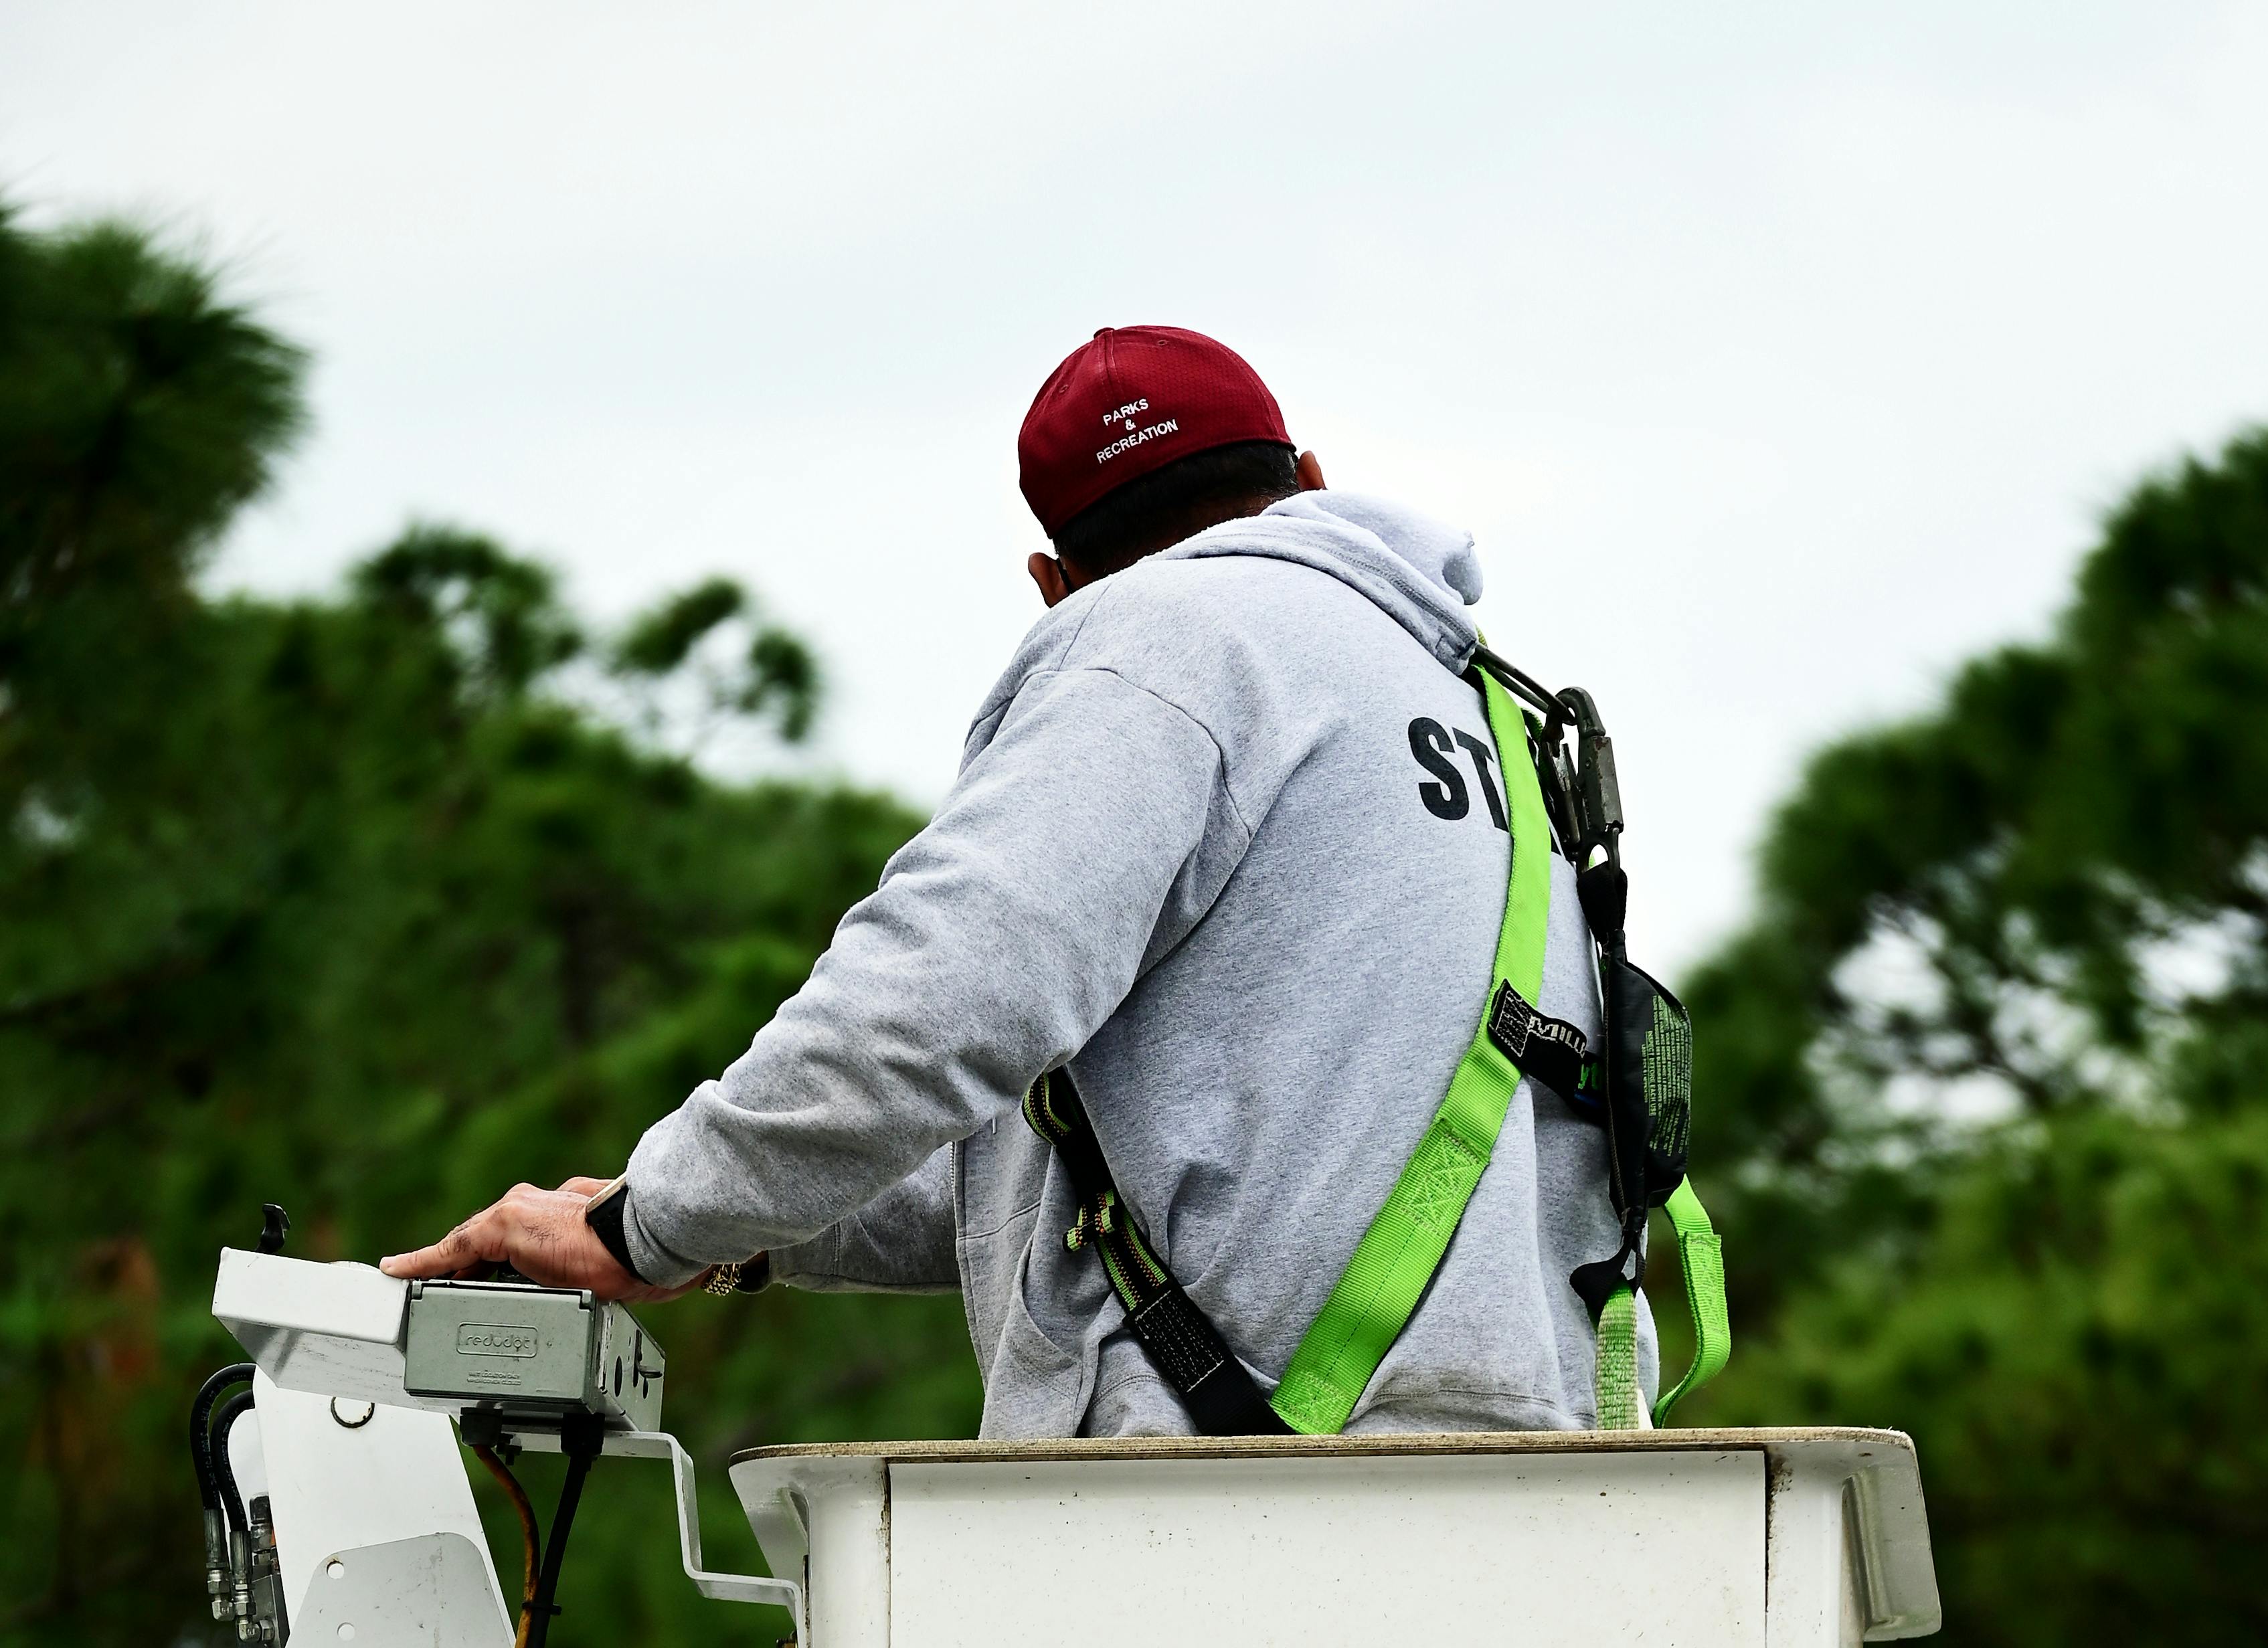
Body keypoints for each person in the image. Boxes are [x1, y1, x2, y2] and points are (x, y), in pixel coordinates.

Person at [383, 324, 1654, 1434]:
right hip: (1546, 1472)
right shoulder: (1484, 711)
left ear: (1052, 586)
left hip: (1255, 1503)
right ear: (1308, 486)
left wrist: (644, 1226)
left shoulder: (1162, 633)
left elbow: (940, 999)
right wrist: (721, 1227)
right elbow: (1097, 1173)